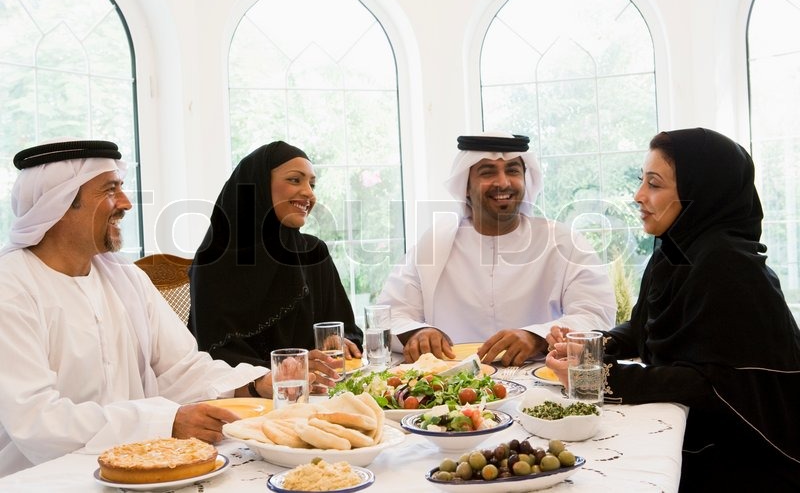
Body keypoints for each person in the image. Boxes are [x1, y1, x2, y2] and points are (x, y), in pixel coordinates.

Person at [0, 139, 279, 478]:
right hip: (41, 477)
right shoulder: (10, 286)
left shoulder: (124, 276)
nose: (126, 203)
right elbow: (37, 420)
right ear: (58, 204)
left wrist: (257, 383)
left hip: (142, 467)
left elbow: (180, 369)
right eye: (110, 190)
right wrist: (164, 423)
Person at [545, 128, 800, 491]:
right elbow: (642, 327)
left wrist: (594, 379)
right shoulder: (677, 249)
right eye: (641, 181)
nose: (638, 196)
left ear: (699, 193)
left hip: (746, 459)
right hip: (698, 437)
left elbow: (709, 384)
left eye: (655, 184)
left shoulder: (727, 265)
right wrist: (590, 346)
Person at [377, 131, 616, 366]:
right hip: (454, 389)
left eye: (512, 170)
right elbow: (388, 316)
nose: (503, 182)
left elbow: (596, 316)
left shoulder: (564, 242)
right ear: (466, 187)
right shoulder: (432, 245)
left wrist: (538, 337)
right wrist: (417, 333)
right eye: (487, 172)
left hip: (544, 384)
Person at [189, 141, 362, 391]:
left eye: (312, 184)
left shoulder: (315, 252)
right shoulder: (214, 261)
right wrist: (283, 371)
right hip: (247, 402)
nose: (309, 193)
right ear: (256, 185)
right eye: (295, 180)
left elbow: (346, 328)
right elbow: (213, 353)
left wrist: (340, 341)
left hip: (319, 392)